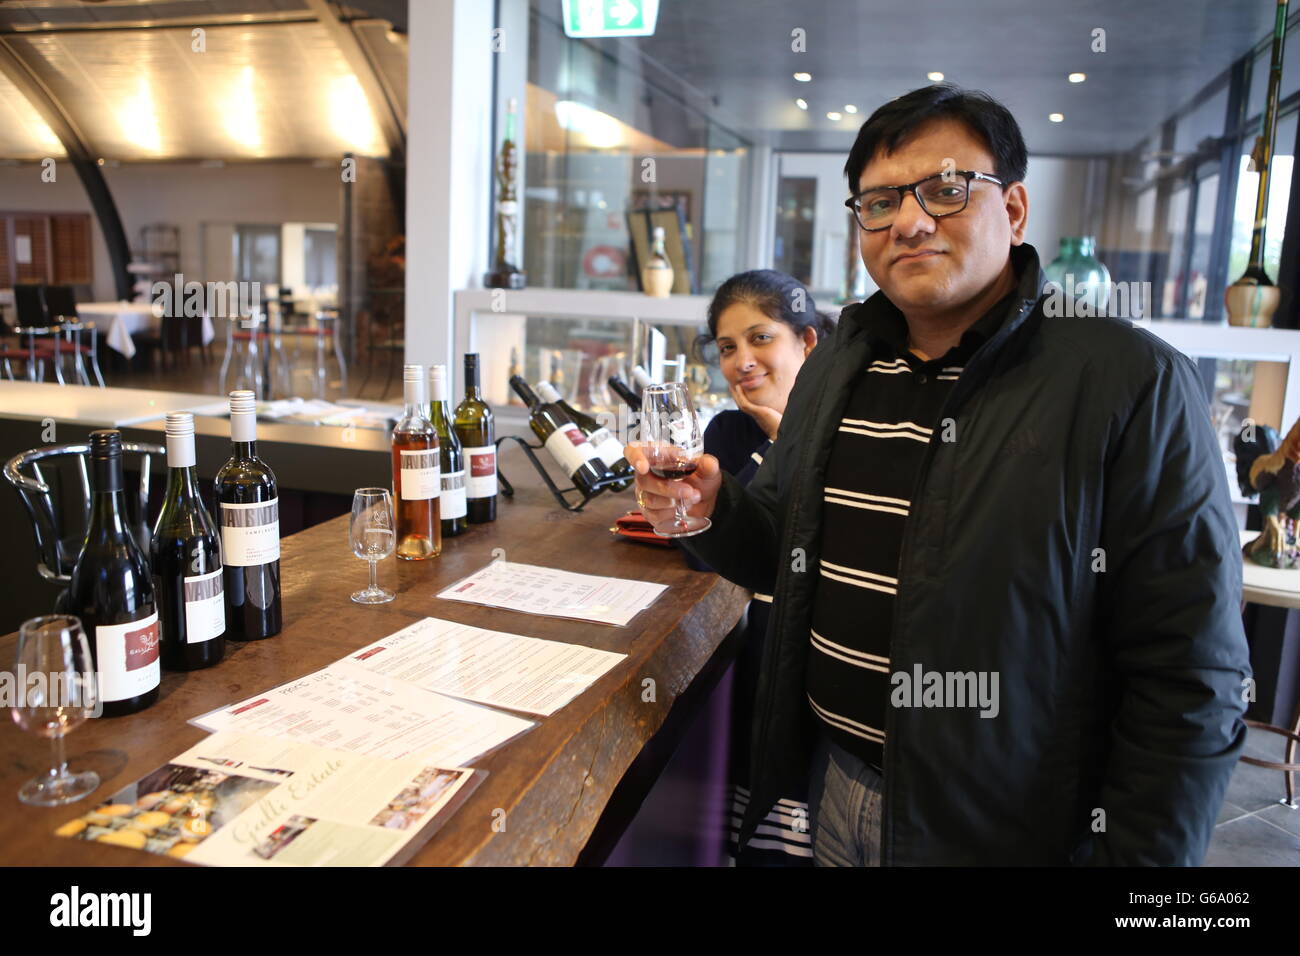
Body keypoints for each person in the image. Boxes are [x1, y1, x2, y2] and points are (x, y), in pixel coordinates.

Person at [626, 84, 1251, 866]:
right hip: (836, 789)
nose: (911, 221)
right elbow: (778, 551)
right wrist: (712, 509)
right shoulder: (842, 363)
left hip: (1007, 829)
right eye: (881, 201)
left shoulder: (1129, 381)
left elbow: (1190, 672)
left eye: (946, 189)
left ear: (1014, 209)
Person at [688, 270, 834, 865]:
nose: (743, 360)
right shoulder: (726, 429)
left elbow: (812, 542)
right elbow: (706, 548)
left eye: (760, 338)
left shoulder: (842, 430)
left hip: (815, 669)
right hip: (752, 665)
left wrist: (786, 439)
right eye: (727, 348)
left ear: (807, 342)